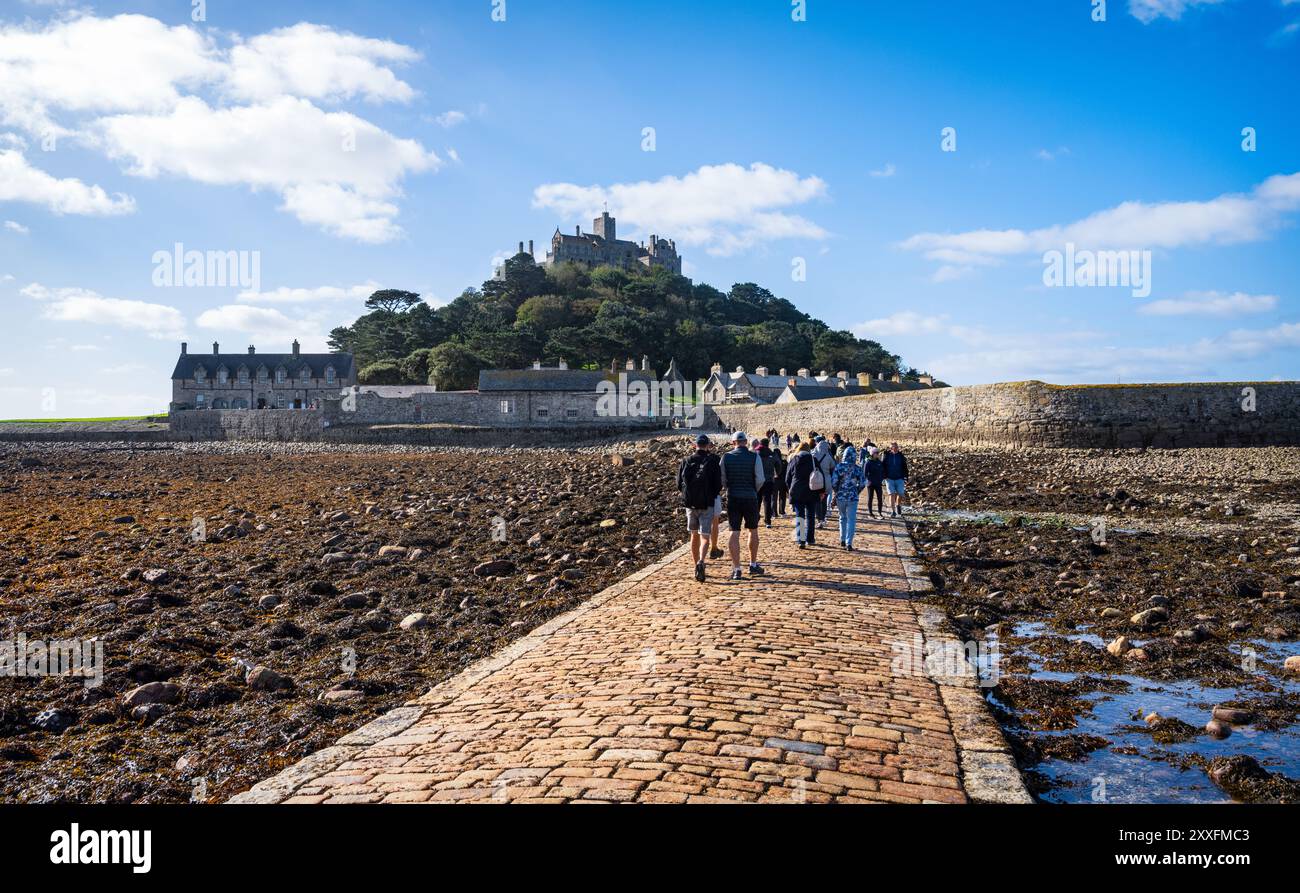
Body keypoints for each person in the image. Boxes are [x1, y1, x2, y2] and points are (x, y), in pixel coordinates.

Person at [720, 431, 765, 579]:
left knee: (734, 531)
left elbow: (723, 479)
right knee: (753, 530)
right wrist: (753, 490)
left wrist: (730, 489)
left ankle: (737, 568)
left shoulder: (726, 457)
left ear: (733, 443)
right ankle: (752, 564)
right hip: (750, 497)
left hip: (734, 497)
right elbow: (760, 479)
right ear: (746, 442)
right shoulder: (755, 456)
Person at [678, 434, 722, 581]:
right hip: (706, 503)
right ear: (708, 445)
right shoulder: (713, 460)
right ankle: (702, 561)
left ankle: (695, 565)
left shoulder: (686, 461)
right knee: (705, 536)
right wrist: (711, 495)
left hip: (690, 504)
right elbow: (718, 484)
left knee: (693, 535)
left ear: (694, 445)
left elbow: (679, 484)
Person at [785, 442, 820, 548]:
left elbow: (787, 478)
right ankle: (810, 538)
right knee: (810, 515)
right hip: (812, 490)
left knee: (800, 515)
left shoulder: (794, 459)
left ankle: (801, 540)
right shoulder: (814, 460)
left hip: (797, 490)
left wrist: (790, 488)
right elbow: (819, 474)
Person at [830, 445, 866, 549]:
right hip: (852, 497)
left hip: (840, 496)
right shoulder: (857, 469)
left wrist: (837, 491)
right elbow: (863, 483)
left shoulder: (839, 467)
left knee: (842, 518)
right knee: (851, 519)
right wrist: (857, 490)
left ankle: (842, 539)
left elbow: (834, 482)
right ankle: (849, 542)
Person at [811, 437, 835, 529]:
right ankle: (823, 518)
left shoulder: (813, 454)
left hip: (816, 479)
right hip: (826, 480)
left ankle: (818, 519)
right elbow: (833, 467)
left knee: (817, 501)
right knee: (824, 501)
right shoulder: (828, 456)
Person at [883, 442, 909, 517]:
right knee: (891, 494)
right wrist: (884, 476)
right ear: (890, 448)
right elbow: (883, 466)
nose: (894, 449)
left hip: (899, 478)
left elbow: (905, 467)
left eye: (896, 447)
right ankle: (893, 511)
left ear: (897, 448)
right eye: (892, 447)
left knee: (900, 493)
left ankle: (898, 505)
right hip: (889, 478)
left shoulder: (900, 456)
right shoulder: (887, 456)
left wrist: (906, 477)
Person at [757, 437, 778, 528]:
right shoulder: (772, 454)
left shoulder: (756, 453)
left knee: (757, 501)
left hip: (758, 480)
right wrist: (776, 473)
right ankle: (768, 521)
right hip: (769, 480)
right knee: (767, 501)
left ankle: (755, 519)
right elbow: (779, 465)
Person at [863, 446, 885, 518]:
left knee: (880, 498)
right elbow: (865, 473)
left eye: (878, 453)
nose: (878, 454)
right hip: (871, 483)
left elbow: (882, 471)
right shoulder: (868, 462)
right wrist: (867, 481)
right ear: (872, 454)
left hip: (878, 483)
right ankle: (870, 513)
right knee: (870, 498)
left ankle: (880, 512)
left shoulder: (879, 462)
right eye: (876, 453)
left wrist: (881, 479)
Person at [772, 446, 789, 517]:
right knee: (782, 497)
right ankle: (782, 511)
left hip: (774, 481)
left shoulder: (772, 461)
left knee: (774, 497)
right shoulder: (784, 462)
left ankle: (774, 513)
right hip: (783, 481)